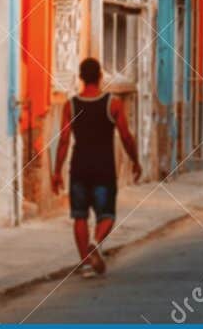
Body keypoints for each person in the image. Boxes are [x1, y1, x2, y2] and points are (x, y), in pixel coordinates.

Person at [51, 58, 141, 277]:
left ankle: (86, 264)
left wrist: (56, 171)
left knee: (79, 216)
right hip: (104, 168)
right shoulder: (113, 104)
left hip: (79, 167)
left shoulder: (71, 105)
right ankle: (96, 242)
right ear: (100, 77)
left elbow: (63, 140)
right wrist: (135, 160)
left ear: (80, 78)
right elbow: (126, 137)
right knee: (107, 214)